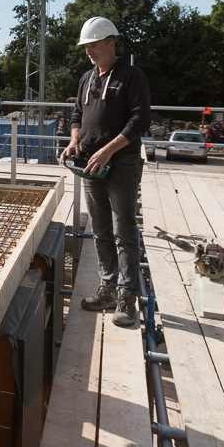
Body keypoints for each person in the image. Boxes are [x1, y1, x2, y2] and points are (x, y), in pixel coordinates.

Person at [58, 17, 151, 328]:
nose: (89, 51)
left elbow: (140, 121)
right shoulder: (87, 78)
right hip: (89, 162)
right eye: (86, 47)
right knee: (100, 229)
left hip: (121, 162)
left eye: (94, 45)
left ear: (112, 43)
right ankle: (109, 288)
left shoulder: (131, 76)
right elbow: (77, 114)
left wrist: (109, 149)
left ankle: (128, 296)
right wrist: (74, 141)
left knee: (124, 228)